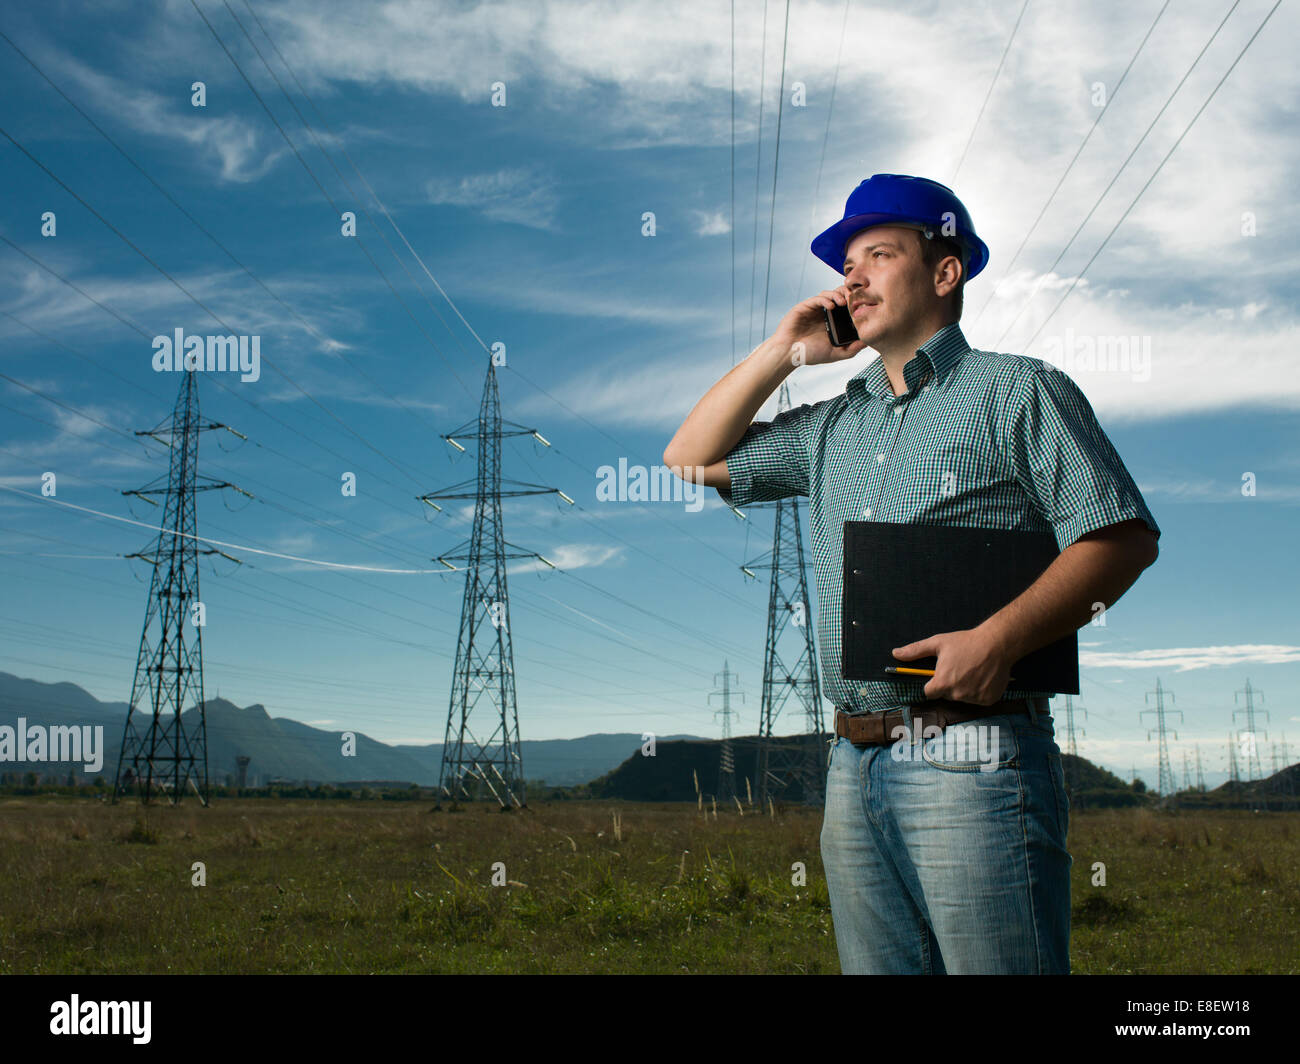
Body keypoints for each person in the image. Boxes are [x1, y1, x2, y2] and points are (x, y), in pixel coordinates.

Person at [663, 173, 1161, 974]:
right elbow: (689, 460)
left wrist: (999, 638)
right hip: (850, 766)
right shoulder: (828, 426)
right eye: (846, 263)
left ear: (944, 272)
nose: (851, 277)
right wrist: (786, 351)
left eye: (878, 255)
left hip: (975, 754)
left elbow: (1123, 538)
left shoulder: (1018, 390)